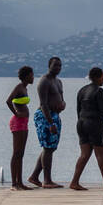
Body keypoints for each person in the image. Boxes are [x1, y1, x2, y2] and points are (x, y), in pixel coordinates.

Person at [27, 56, 66, 188]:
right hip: (45, 116)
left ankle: (34, 176)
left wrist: (63, 104)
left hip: (55, 115)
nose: (58, 68)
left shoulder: (59, 82)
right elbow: (43, 104)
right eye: (55, 65)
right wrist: (50, 123)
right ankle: (47, 180)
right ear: (49, 65)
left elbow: (61, 98)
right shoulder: (44, 81)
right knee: (47, 147)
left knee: (51, 147)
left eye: (60, 65)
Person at [5, 66, 34, 190]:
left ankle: (20, 182)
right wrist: (16, 113)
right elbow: (8, 101)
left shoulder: (24, 88)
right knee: (16, 152)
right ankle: (13, 184)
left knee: (21, 153)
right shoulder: (19, 87)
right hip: (17, 122)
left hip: (24, 122)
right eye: (31, 75)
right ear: (26, 75)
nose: (33, 77)